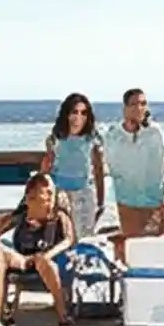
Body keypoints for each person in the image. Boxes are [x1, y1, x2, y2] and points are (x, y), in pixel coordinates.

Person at [0, 173, 76, 326]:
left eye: (50, 192)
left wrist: (48, 254)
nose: (49, 196)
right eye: (45, 192)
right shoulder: (23, 214)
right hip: (23, 258)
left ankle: (62, 313)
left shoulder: (58, 216)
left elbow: (68, 239)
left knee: (43, 261)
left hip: (48, 259)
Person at [103, 88, 164, 264]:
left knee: (155, 253)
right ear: (125, 108)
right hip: (127, 202)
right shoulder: (114, 135)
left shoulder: (155, 133)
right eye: (135, 104)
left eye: (143, 103)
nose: (140, 108)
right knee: (130, 252)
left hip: (155, 203)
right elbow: (107, 166)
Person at [40, 93, 106, 239]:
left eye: (83, 113)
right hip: (60, 194)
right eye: (74, 112)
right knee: (61, 237)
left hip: (84, 194)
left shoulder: (92, 138)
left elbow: (98, 169)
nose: (78, 117)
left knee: (84, 237)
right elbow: (47, 167)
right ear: (67, 114)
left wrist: (101, 201)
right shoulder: (55, 138)